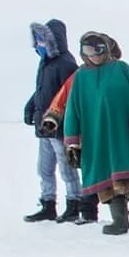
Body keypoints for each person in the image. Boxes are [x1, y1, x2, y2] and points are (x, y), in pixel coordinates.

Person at [61, 32, 129, 236]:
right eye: (89, 50)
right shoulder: (79, 77)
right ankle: (120, 220)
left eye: (99, 49)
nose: (95, 55)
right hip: (95, 137)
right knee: (107, 178)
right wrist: (72, 142)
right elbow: (72, 111)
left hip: (124, 133)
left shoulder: (122, 69)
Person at [23, 18, 79, 222]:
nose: (38, 45)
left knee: (66, 167)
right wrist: (31, 107)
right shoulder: (44, 63)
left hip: (59, 126)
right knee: (44, 167)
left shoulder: (66, 63)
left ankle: (74, 201)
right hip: (43, 126)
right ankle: (48, 203)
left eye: (41, 40)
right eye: (36, 41)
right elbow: (41, 91)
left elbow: (69, 94)